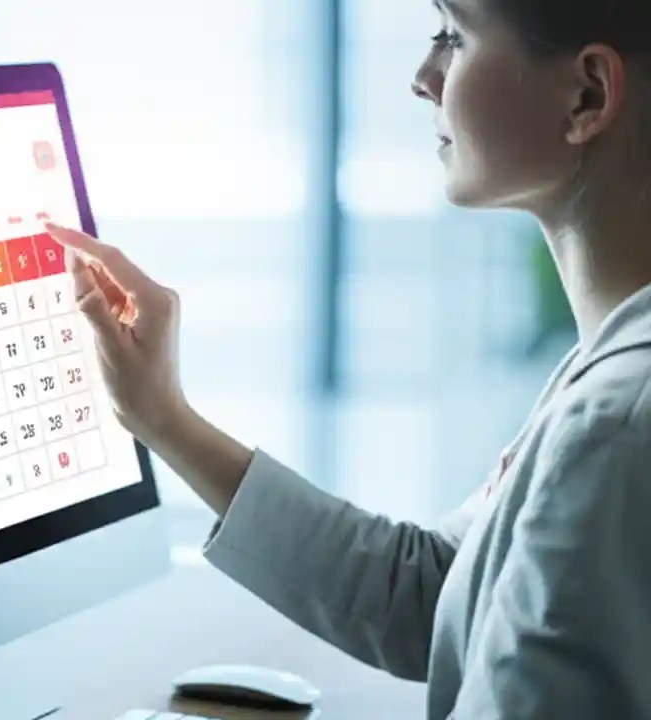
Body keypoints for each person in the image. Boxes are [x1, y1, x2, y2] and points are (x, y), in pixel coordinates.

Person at [45, 0, 651, 717]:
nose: (424, 77)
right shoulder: (613, 364)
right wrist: (163, 418)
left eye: (453, 36)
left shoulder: (615, 424)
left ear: (587, 96)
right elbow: (438, 596)